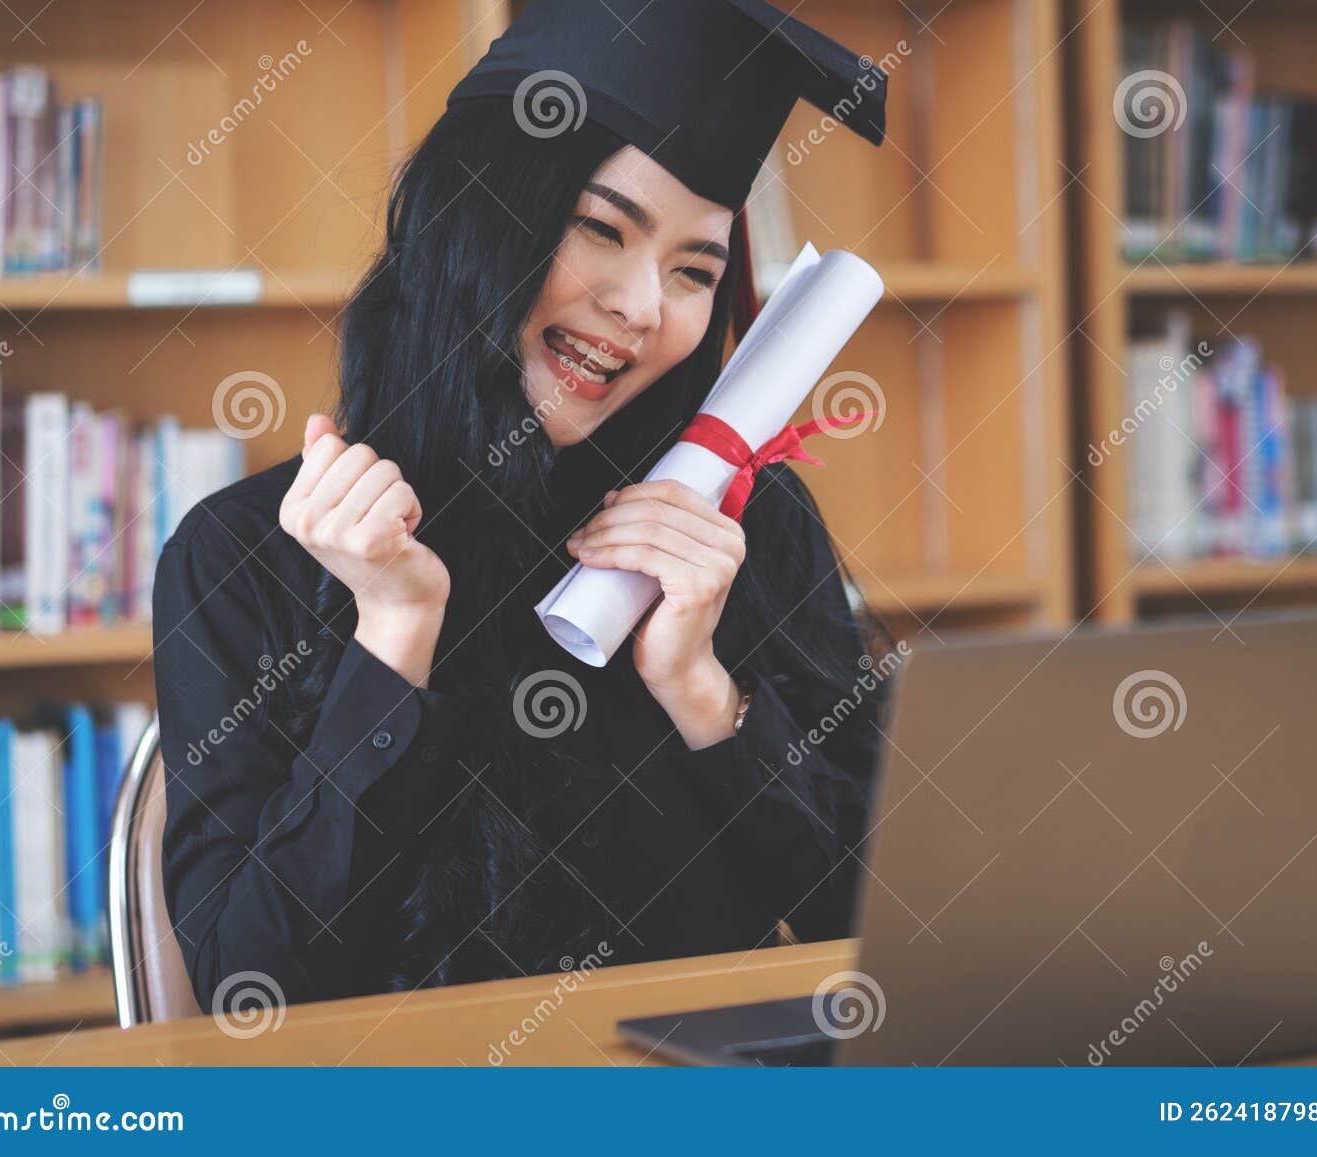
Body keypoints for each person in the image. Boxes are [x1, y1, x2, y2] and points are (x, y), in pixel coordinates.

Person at [152, 0, 899, 1012]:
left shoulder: (747, 528)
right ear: (475, 214)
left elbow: (873, 933)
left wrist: (703, 691)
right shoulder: (246, 555)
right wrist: (394, 638)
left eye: (694, 270)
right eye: (602, 227)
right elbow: (257, 991)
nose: (642, 306)